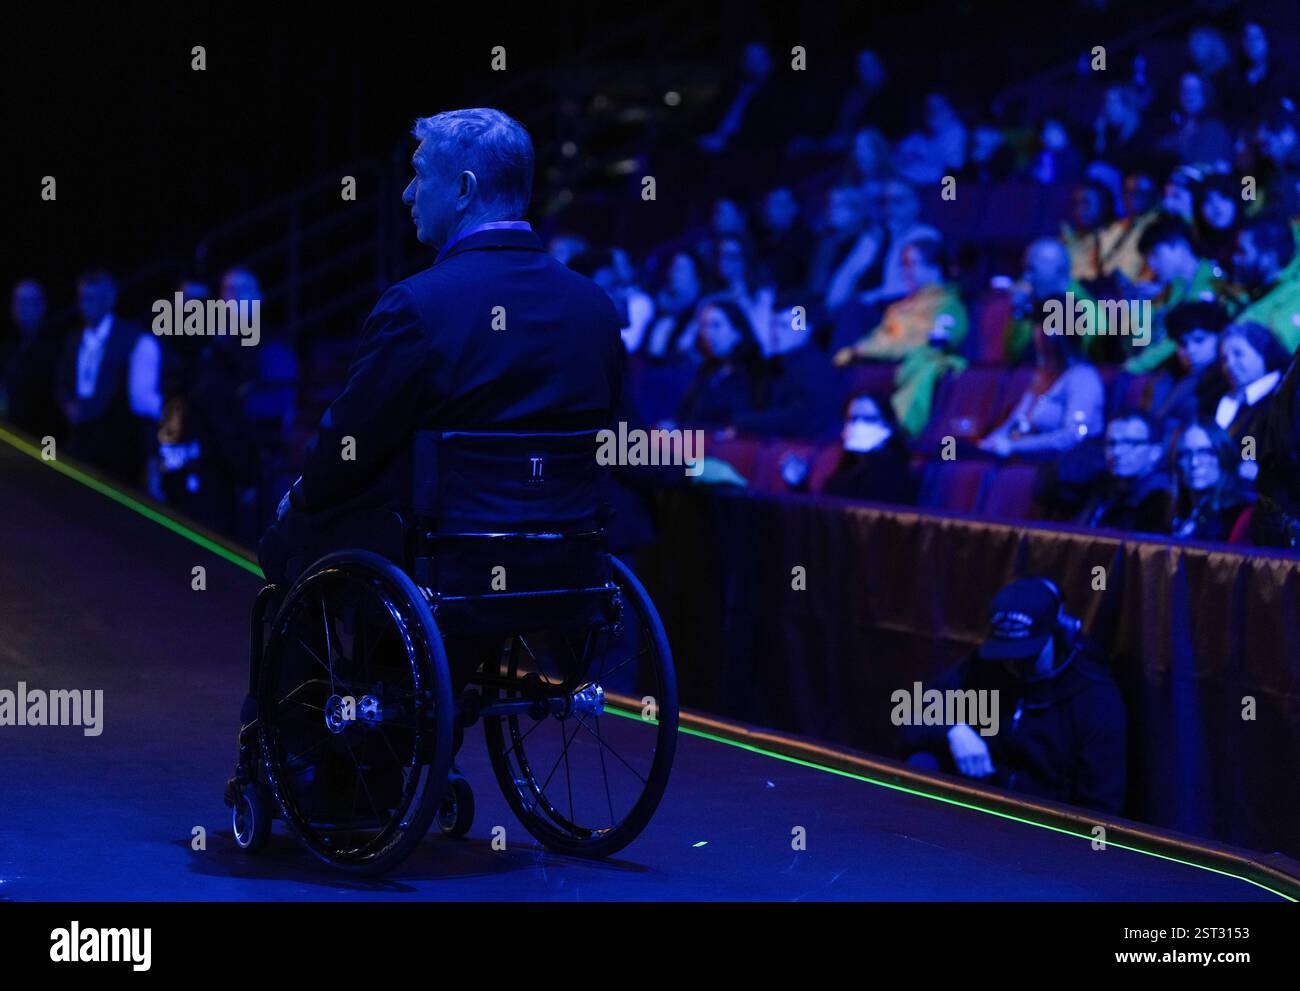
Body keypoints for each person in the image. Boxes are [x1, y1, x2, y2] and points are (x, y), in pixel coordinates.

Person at [260, 108, 624, 590]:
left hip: (441, 563)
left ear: (463, 189)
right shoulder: (595, 307)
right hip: (562, 557)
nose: (408, 193)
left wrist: (301, 497)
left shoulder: (417, 305)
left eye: (419, 174)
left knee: (288, 540)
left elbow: (351, 445)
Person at [899, 576, 1127, 814]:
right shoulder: (986, 667)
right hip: (977, 809)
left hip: (1043, 827)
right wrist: (953, 729)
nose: (1014, 663)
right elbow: (911, 712)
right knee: (922, 763)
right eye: (1005, 653)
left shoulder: (1094, 697)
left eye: (1027, 654)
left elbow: (1101, 805)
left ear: (1058, 634)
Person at [55, 269, 162, 483]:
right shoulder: (72, 340)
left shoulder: (130, 338)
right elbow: (61, 382)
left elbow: (136, 395)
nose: (86, 305)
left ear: (110, 299)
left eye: (93, 298)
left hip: (117, 446)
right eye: (83, 298)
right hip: (79, 441)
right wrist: (69, 405)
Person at [979, 328, 1104, 458]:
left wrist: (1014, 446)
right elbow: (1017, 420)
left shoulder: (1083, 377)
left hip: (1068, 464)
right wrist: (992, 441)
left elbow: (1073, 436)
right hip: (1031, 461)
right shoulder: (1043, 377)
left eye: (1045, 343)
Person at [672, 297, 769, 430]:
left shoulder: (754, 370)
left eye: (716, 325)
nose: (708, 333)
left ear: (737, 332)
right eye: (705, 326)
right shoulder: (707, 369)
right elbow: (684, 413)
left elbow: (736, 419)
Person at [1076, 411, 1176, 532]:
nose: (1116, 452)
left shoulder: (1161, 499)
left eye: (1130, 443)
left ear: (1155, 452)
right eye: (1111, 443)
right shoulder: (1103, 485)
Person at [1213, 321, 1288, 468]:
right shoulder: (1228, 401)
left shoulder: (1282, 394)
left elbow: (1251, 446)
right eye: (1224, 359)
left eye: (1238, 354)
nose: (1229, 365)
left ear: (1262, 351)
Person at [1150, 300, 1229, 432]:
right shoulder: (1169, 380)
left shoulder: (1229, 381)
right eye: (1183, 343)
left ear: (1221, 337)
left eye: (1199, 340)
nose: (1190, 350)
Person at [1167, 420, 1250, 541]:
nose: (1194, 463)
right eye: (1185, 453)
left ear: (1223, 455)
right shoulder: (1172, 510)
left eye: (1205, 452)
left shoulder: (1242, 516)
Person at [1227, 213, 1300, 351]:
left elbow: (1274, 356)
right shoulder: (1251, 292)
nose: (1234, 259)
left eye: (1242, 252)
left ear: (1268, 258)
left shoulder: (1296, 297)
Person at [1, 279, 63, 439]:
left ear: (42, 305)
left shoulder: (55, 347)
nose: (23, 307)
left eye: (29, 302)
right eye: (19, 301)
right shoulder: (9, 347)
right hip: (12, 435)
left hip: (43, 437)